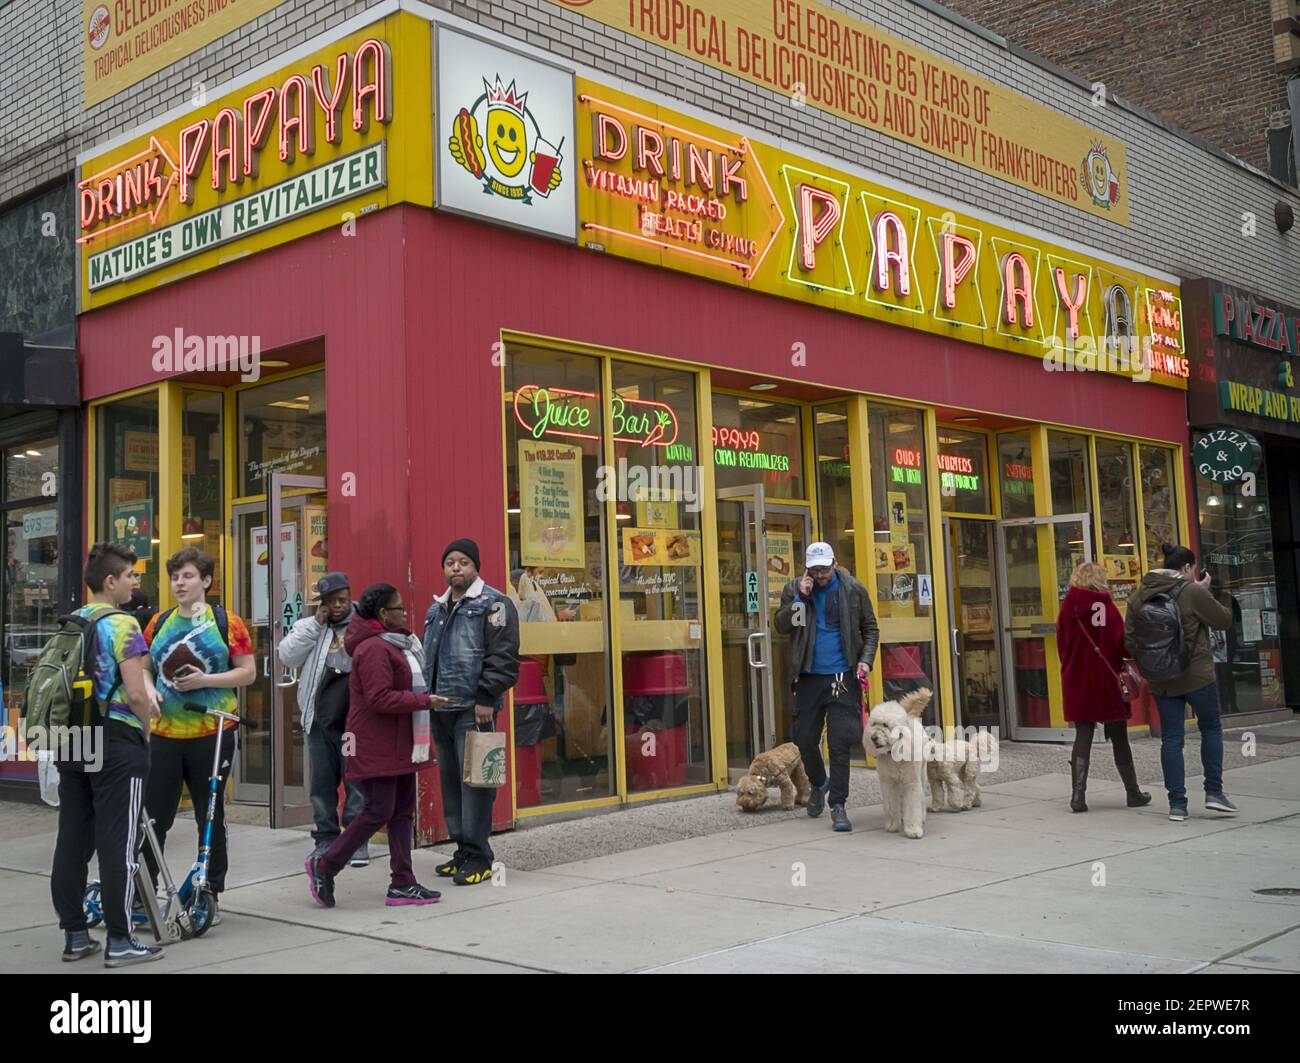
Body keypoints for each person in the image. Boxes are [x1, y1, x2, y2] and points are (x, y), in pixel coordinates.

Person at [49, 543, 164, 967]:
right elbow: (137, 693)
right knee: (118, 841)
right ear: (110, 582)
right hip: (116, 739)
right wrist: (148, 735)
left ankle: (75, 935)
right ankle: (120, 939)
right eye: (131, 575)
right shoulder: (123, 625)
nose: (135, 582)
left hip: (73, 737)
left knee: (72, 837)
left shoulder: (71, 621)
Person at [305, 583, 443, 908]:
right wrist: (425, 701)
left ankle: (402, 882)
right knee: (377, 810)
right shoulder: (373, 649)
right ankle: (326, 864)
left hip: (401, 742)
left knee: (403, 812)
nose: (405, 613)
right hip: (375, 743)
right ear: (383, 614)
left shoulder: (397, 644)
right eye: (399, 609)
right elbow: (379, 698)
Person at [140, 547, 255, 926]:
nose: (179, 583)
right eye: (175, 577)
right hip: (164, 733)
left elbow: (248, 673)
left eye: (188, 576)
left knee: (210, 812)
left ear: (206, 581)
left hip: (214, 731)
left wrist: (205, 680)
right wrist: (150, 691)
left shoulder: (228, 622)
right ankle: (144, 895)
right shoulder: (158, 622)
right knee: (154, 815)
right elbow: (142, 668)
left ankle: (210, 893)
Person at [421, 539, 520, 886]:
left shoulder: (495, 604)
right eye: (450, 562)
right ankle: (463, 849)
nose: (456, 568)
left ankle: (480, 855)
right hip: (440, 708)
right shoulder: (436, 609)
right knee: (450, 782)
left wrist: (486, 697)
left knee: (476, 783)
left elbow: (504, 658)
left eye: (463, 562)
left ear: (475, 566)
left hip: (474, 709)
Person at [1126, 542, 1237, 822]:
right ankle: (1214, 793)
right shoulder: (1192, 591)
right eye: (1193, 568)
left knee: (1172, 738)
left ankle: (1177, 805)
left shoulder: (1138, 596)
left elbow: (1130, 641)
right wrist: (1211, 592)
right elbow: (1224, 620)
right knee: (1210, 727)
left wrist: (1152, 664)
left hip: (1162, 679)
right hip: (1196, 674)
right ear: (1187, 568)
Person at [773, 542, 879, 833]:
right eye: (814, 569)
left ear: (834, 563)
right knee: (804, 739)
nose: (820, 575)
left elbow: (870, 628)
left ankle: (838, 805)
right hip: (808, 676)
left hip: (842, 676)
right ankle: (819, 782)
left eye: (824, 569)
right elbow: (783, 626)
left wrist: (865, 661)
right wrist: (800, 599)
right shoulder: (795, 588)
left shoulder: (853, 589)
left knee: (840, 741)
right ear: (807, 567)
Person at [279, 571, 368, 865]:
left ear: (350, 594)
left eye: (341, 599)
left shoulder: (365, 623)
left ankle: (355, 841)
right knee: (322, 783)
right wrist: (316, 625)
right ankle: (326, 838)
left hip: (352, 722)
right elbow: (287, 656)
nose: (337, 606)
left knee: (355, 780)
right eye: (330, 601)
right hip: (319, 721)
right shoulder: (310, 626)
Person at [1056, 562, 1151, 812]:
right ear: (1100, 580)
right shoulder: (1107, 608)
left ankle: (1078, 796)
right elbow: (1120, 645)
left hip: (1077, 679)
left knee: (1083, 734)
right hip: (1107, 679)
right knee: (1119, 736)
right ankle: (1133, 793)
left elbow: (1062, 646)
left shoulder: (1068, 608)